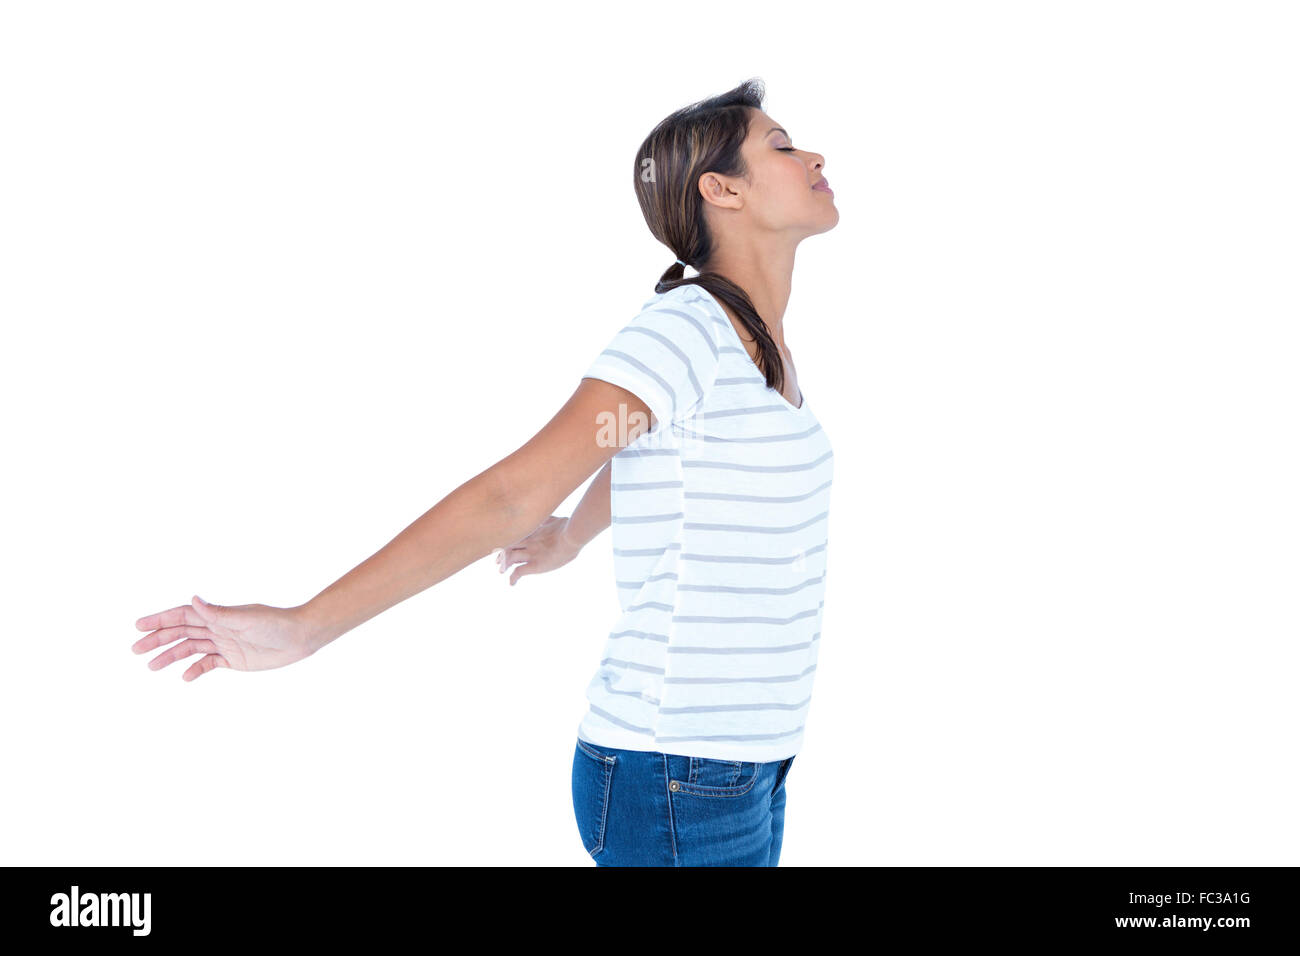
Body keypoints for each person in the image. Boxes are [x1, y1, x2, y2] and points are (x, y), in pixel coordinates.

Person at [132, 78, 838, 867]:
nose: (812, 155)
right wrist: (306, 625)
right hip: (676, 771)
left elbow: (655, 447)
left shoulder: (755, 346)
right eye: (780, 145)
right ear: (720, 190)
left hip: (748, 766)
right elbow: (510, 493)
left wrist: (571, 535)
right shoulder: (685, 332)